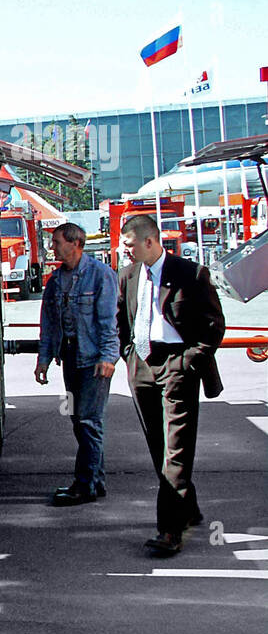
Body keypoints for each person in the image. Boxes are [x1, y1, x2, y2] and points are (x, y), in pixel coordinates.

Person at [116, 214, 225, 555]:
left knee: (176, 450)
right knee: (158, 446)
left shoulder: (190, 274)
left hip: (177, 365)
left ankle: (169, 530)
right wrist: (129, 354)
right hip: (142, 366)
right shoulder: (128, 276)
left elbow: (213, 325)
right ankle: (187, 508)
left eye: (130, 245)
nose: (125, 251)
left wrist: (188, 361)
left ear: (150, 241)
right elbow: (123, 319)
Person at [34, 222, 118, 504]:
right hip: (69, 357)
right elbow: (48, 323)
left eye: (57, 242)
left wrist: (108, 357)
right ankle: (96, 481)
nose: (52, 247)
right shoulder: (56, 280)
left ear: (75, 243)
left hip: (93, 359)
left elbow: (108, 322)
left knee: (88, 421)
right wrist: (44, 359)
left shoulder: (100, 276)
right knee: (79, 420)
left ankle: (84, 485)